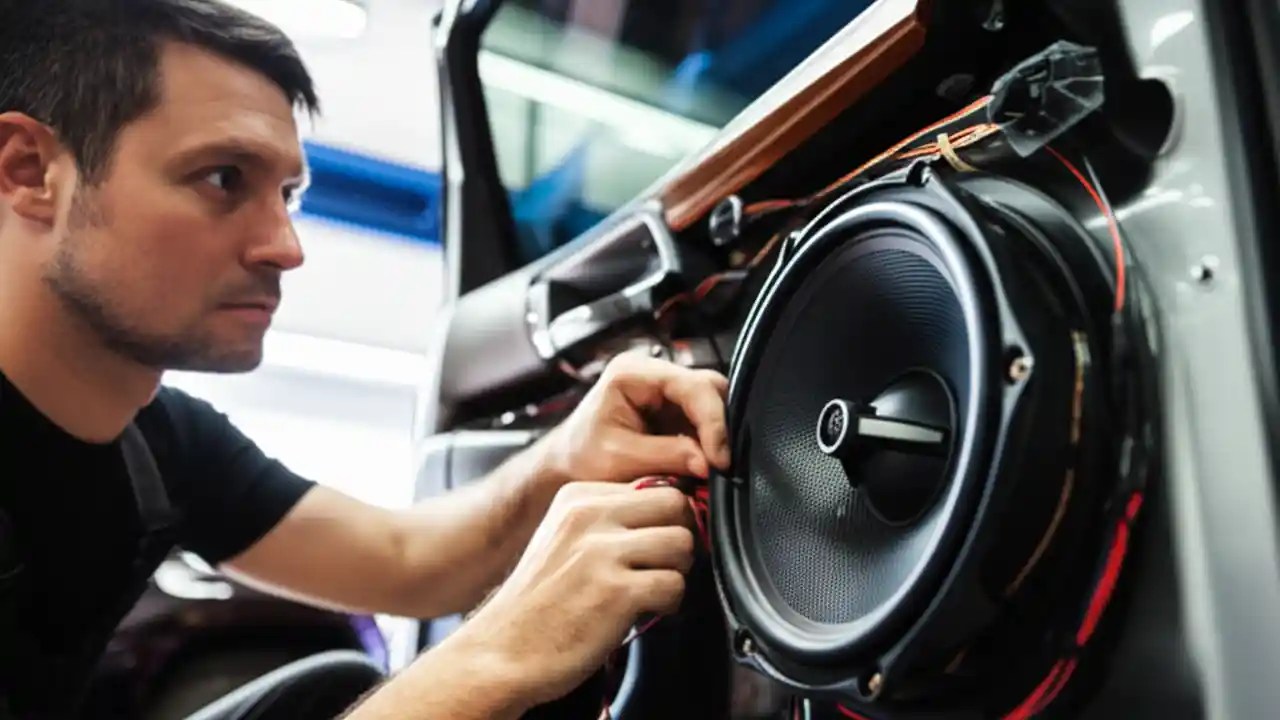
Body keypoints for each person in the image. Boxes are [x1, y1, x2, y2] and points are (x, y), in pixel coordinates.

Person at [0, 1, 731, 718]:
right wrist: (493, 661)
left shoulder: (156, 446)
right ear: (29, 170)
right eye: (223, 178)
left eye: (287, 194)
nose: (286, 248)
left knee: (332, 690)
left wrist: (563, 456)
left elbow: (406, 561)